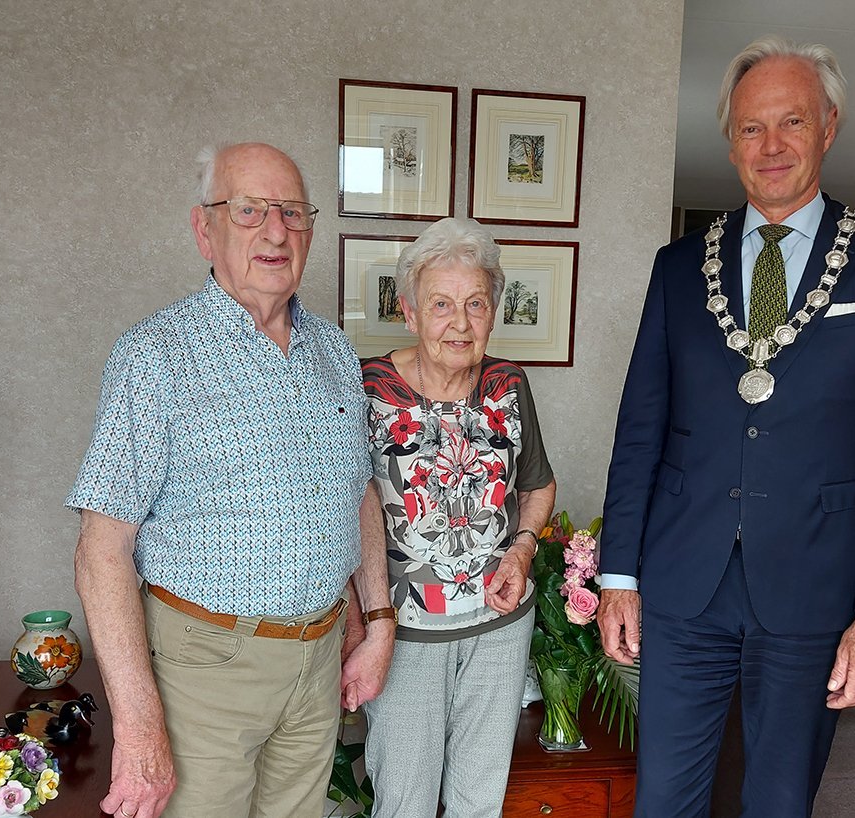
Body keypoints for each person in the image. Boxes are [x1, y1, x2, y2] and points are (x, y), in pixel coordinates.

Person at [597, 36, 855, 817]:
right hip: (685, 582)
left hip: (816, 583)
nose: (772, 146)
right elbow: (640, 428)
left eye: (792, 122)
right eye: (752, 127)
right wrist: (619, 577)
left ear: (829, 126)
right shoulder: (677, 268)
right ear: (729, 139)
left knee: (780, 802)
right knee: (664, 801)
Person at [66, 142, 394, 818]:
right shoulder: (154, 356)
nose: (277, 230)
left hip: (317, 665)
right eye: (249, 210)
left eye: (294, 213)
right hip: (202, 672)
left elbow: (355, 492)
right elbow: (102, 552)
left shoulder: (333, 348)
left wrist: (374, 617)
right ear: (204, 229)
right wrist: (138, 725)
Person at [359, 217, 556, 817]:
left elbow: (539, 487)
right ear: (410, 311)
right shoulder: (366, 388)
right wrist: (365, 620)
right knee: (404, 798)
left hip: (499, 625)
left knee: (480, 798)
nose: (460, 322)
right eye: (441, 303)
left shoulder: (507, 383)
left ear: (494, 310)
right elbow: (345, 508)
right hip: (405, 630)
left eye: (475, 303)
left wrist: (521, 551)